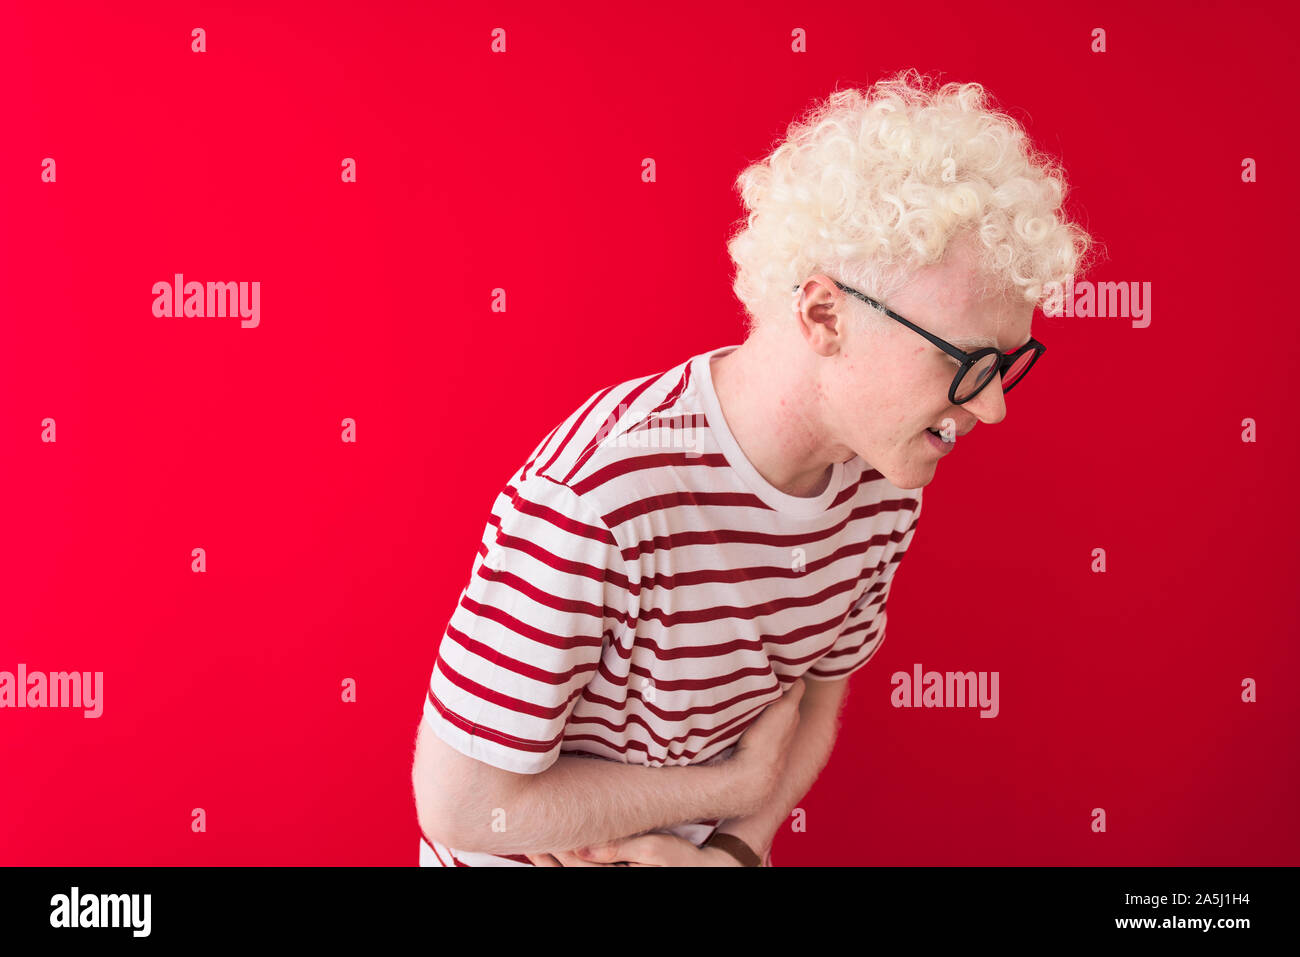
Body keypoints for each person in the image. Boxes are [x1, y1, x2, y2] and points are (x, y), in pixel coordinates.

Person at [410, 69, 1093, 866]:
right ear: (824, 315)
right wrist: (722, 792)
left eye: (1005, 363)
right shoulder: (601, 495)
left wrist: (732, 850)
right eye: (966, 361)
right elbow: (461, 806)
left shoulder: (884, 483)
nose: (993, 407)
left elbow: (817, 697)